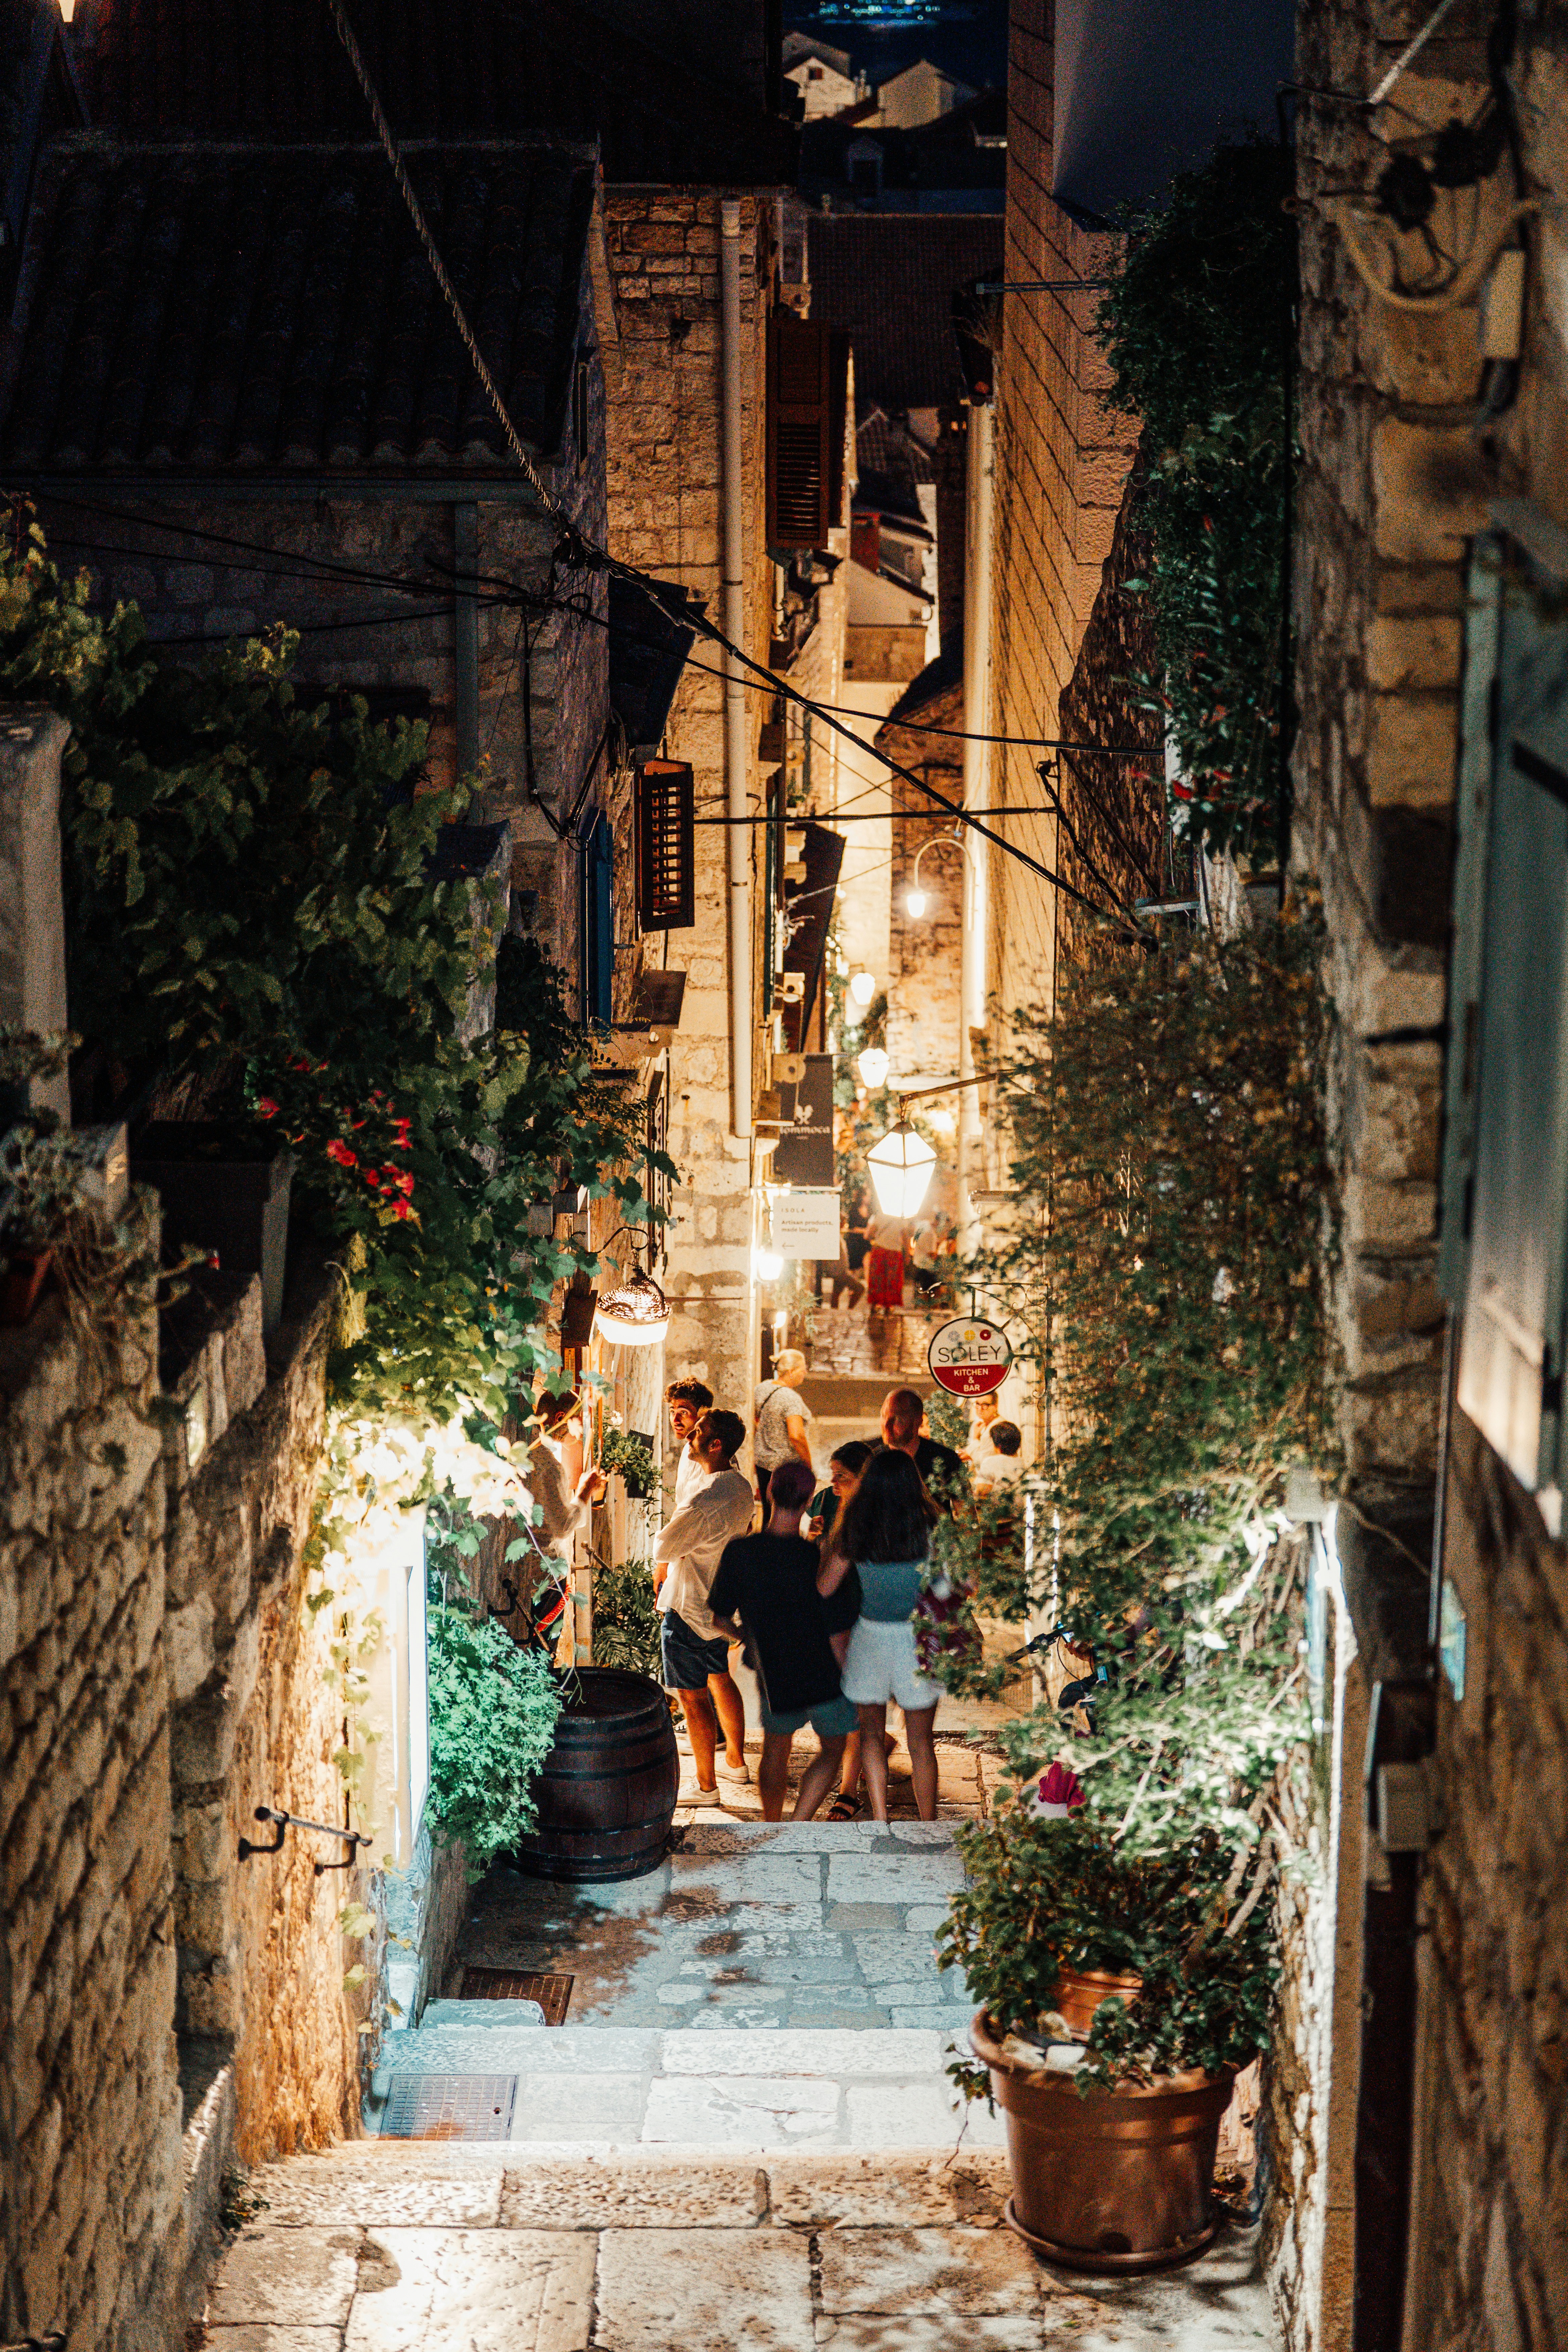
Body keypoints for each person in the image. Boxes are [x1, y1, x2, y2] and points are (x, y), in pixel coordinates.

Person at [707, 1458, 858, 1821]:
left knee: (777, 1750)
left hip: (772, 1665)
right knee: (835, 1747)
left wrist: (748, 1636)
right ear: (808, 1502)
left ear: (769, 1493)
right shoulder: (811, 1556)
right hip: (818, 1665)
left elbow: (719, 1617)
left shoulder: (739, 1552)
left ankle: (774, 1824)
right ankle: (799, 1821)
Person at [819, 1448, 943, 1821]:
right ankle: (927, 1824)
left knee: (871, 1736)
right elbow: (968, 1582)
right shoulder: (934, 1525)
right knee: (921, 1742)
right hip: (919, 1641)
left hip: (870, 1639)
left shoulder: (855, 1523)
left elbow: (825, 1587)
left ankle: (880, 1822)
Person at [652, 1408, 756, 1801]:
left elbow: (665, 1544)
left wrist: (679, 1547)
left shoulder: (706, 1495)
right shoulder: (740, 1487)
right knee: (720, 1678)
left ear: (715, 1445)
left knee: (692, 1698)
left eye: (697, 1431)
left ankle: (708, 1787)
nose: (689, 1435)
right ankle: (736, 1763)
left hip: (688, 1608)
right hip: (719, 1608)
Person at [879, 1385, 969, 1510]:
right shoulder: (873, 1460)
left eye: (897, 1419)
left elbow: (967, 1516)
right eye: (884, 1416)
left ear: (918, 1421)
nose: (887, 1425)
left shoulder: (946, 1460)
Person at [752, 1348, 815, 1509]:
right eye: (803, 1369)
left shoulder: (762, 1389)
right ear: (792, 1371)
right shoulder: (790, 1398)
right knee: (784, 1513)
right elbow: (797, 1436)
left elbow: (754, 1420)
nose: (805, 1373)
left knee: (768, 1511)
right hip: (785, 1468)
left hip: (762, 1463)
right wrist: (809, 1465)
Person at [665, 1376, 714, 1511]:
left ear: (702, 1415)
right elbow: (680, 1506)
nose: (675, 1420)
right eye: (672, 1412)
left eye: (683, 1412)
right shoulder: (687, 1450)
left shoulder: (716, 1455)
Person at [864, 1205, 906, 1309]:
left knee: (877, 1278)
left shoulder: (880, 1215)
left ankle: (875, 1304)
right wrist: (907, 1255)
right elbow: (905, 1237)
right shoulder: (902, 1217)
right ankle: (889, 1305)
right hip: (895, 1252)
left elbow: (869, 1235)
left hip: (880, 1250)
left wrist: (879, 1237)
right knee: (892, 1280)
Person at [974, 1419, 1027, 1495]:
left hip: (996, 1507)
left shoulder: (990, 1462)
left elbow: (981, 1495)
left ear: (998, 1446)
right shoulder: (1022, 1464)